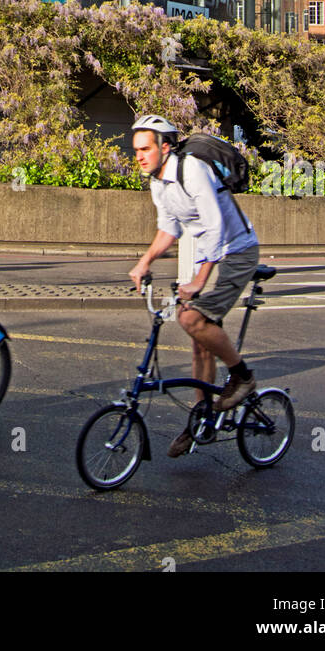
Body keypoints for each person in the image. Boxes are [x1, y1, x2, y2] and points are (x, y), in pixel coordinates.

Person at [128, 114, 260, 458]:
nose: (139, 156)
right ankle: (202, 418)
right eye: (136, 150)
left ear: (165, 147)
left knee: (190, 319)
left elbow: (215, 225)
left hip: (237, 252)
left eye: (146, 149)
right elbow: (168, 230)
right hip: (209, 254)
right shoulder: (158, 183)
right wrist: (145, 262)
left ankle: (242, 377)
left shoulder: (192, 171)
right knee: (199, 339)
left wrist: (200, 278)